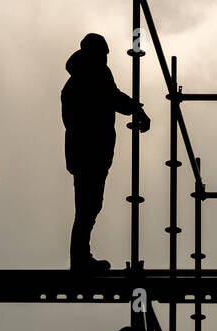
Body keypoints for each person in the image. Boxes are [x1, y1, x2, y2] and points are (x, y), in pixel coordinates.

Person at [62, 32, 151, 272]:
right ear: (93, 54)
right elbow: (112, 98)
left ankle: (81, 258)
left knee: (89, 206)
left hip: (92, 154)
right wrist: (136, 110)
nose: (105, 59)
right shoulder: (87, 78)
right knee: (87, 207)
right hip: (88, 154)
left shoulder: (88, 77)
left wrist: (134, 109)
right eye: (103, 54)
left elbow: (112, 97)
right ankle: (80, 259)